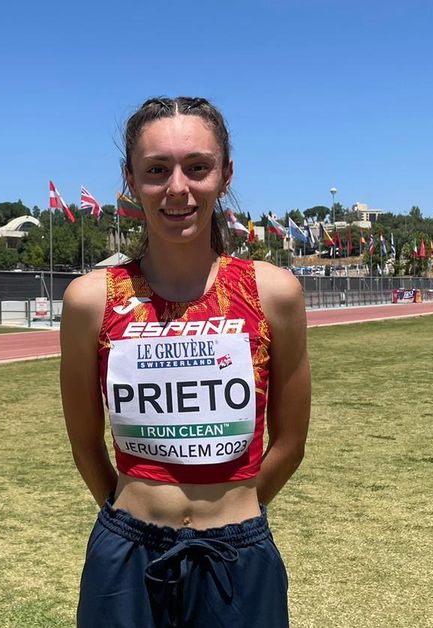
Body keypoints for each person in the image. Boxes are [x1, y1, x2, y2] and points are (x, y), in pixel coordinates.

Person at [60, 96, 310, 627]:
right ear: (130, 180)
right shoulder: (90, 301)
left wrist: (236, 510)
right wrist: (133, 519)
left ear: (225, 175)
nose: (178, 188)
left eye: (197, 167)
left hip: (238, 558)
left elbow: (290, 443)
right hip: (125, 560)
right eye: (157, 170)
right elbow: (85, 446)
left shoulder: (273, 293)